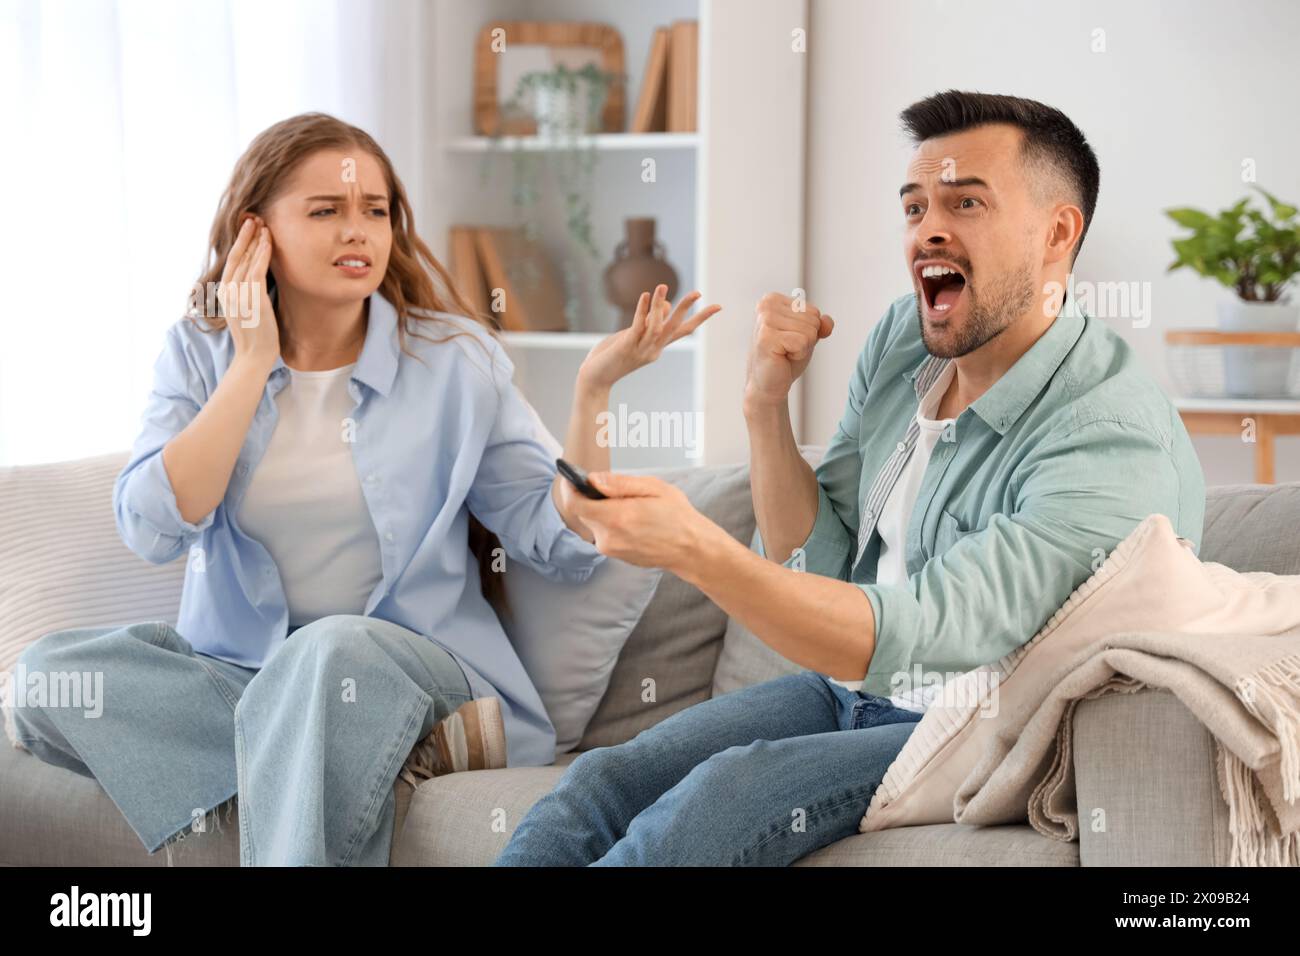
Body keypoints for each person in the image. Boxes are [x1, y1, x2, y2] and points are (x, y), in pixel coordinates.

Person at [494, 90, 1206, 866]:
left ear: (1057, 232)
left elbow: (929, 629)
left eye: (966, 202)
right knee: (599, 783)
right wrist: (765, 403)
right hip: (853, 693)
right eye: (915, 207)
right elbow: (819, 562)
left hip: (979, 726)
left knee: (716, 800)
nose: (928, 230)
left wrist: (693, 548)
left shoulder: (1107, 430)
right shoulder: (906, 342)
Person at [6, 111, 718, 866]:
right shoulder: (198, 352)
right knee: (47, 680)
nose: (358, 231)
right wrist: (250, 364)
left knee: (328, 649)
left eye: (375, 211)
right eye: (326, 211)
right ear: (256, 233)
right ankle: (339, 753)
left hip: (415, 670)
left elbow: (562, 543)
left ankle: (341, 742)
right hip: (245, 676)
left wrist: (593, 392)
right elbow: (151, 528)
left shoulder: (454, 361)